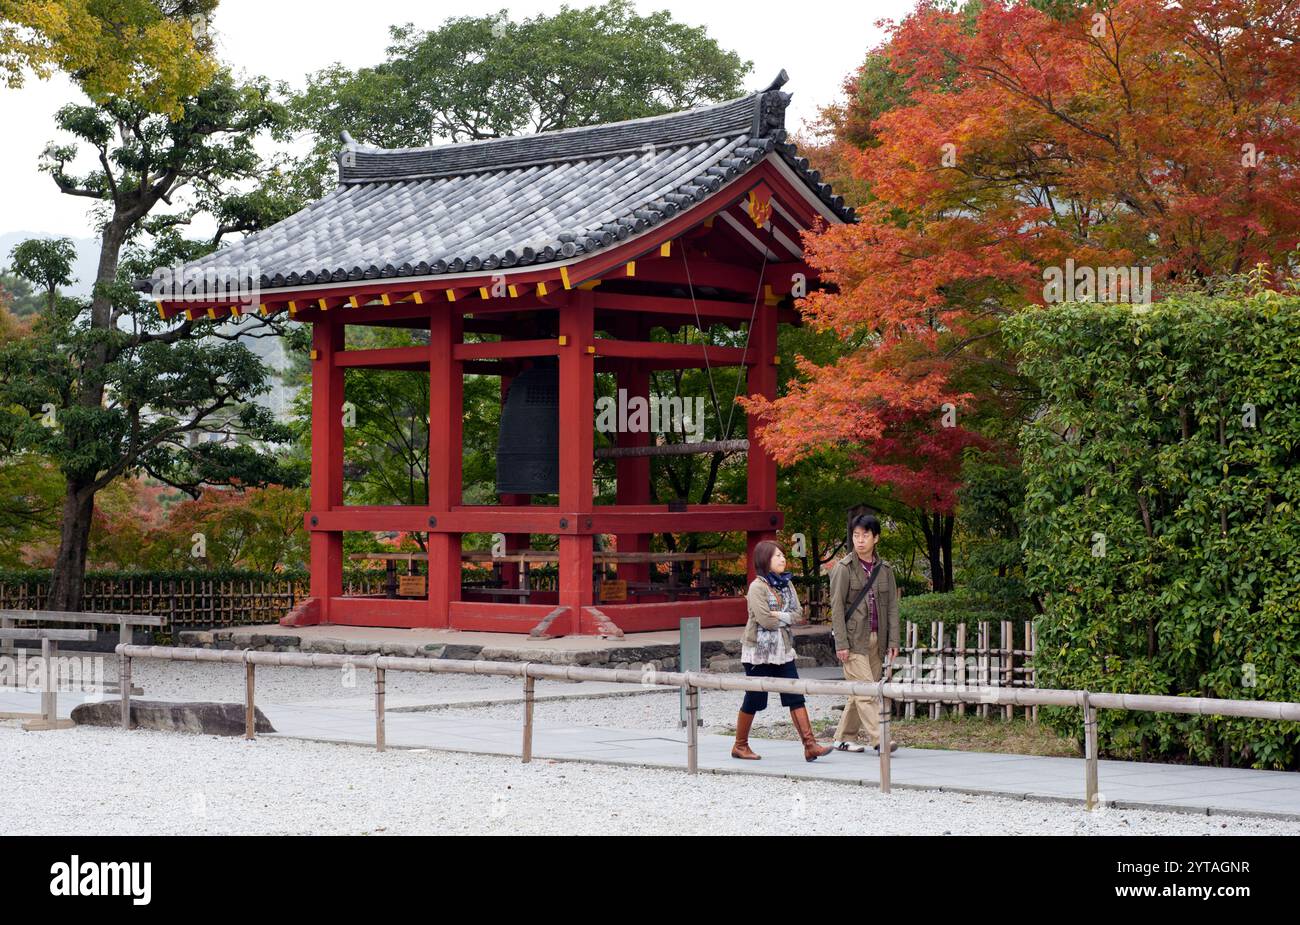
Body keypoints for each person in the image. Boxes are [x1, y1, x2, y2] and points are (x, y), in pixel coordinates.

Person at [732, 540, 834, 762]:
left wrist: (779, 616)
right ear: (764, 560)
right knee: (755, 698)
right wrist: (782, 618)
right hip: (758, 652)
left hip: (783, 650)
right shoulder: (756, 587)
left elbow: (799, 614)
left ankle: (810, 745)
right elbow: (765, 622)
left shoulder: (787, 584)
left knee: (795, 695)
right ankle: (740, 745)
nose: (782, 559)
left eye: (783, 555)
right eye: (777, 556)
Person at [829, 514, 900, 753]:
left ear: (876, 537)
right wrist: (841, 642)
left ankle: (842, 737)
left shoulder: (885, 569)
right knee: (868, 691)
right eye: (856, 535)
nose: (859, 540)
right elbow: (836, 607)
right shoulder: (844, 568)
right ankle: (879, 738)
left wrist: (893, 641)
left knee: (858, 691)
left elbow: (892, 607)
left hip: (877, 640)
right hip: (852, 640)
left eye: (865, 535)